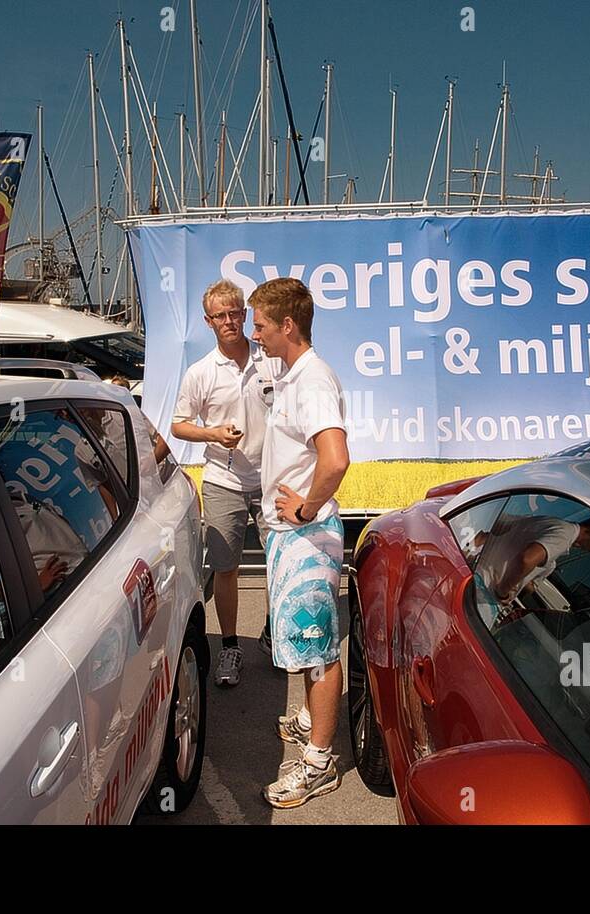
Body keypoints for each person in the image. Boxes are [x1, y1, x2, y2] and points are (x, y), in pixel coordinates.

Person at [250, 277, 350, 809]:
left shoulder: (311, 380)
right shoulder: (293, 374)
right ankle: (315, 718)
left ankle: (318, 762)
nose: (254, 334)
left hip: (304, 535)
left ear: (287, 325)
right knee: (309, 647)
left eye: (260, 325)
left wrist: (306, 509)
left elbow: (335, 459)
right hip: (293, 534)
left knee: (316, 650)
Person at [171, 280, 281, 687]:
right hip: (222, 481)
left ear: (245, 314)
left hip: (271, 481)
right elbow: (179, 426)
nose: (230, 321)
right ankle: (231, 647)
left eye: (236, 312)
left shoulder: (270, 361)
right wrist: (213, 434)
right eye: (221, 315)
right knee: (226, 568)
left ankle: (274, 634)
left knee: (279, 563)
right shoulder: (200, 372)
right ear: (208, 321)